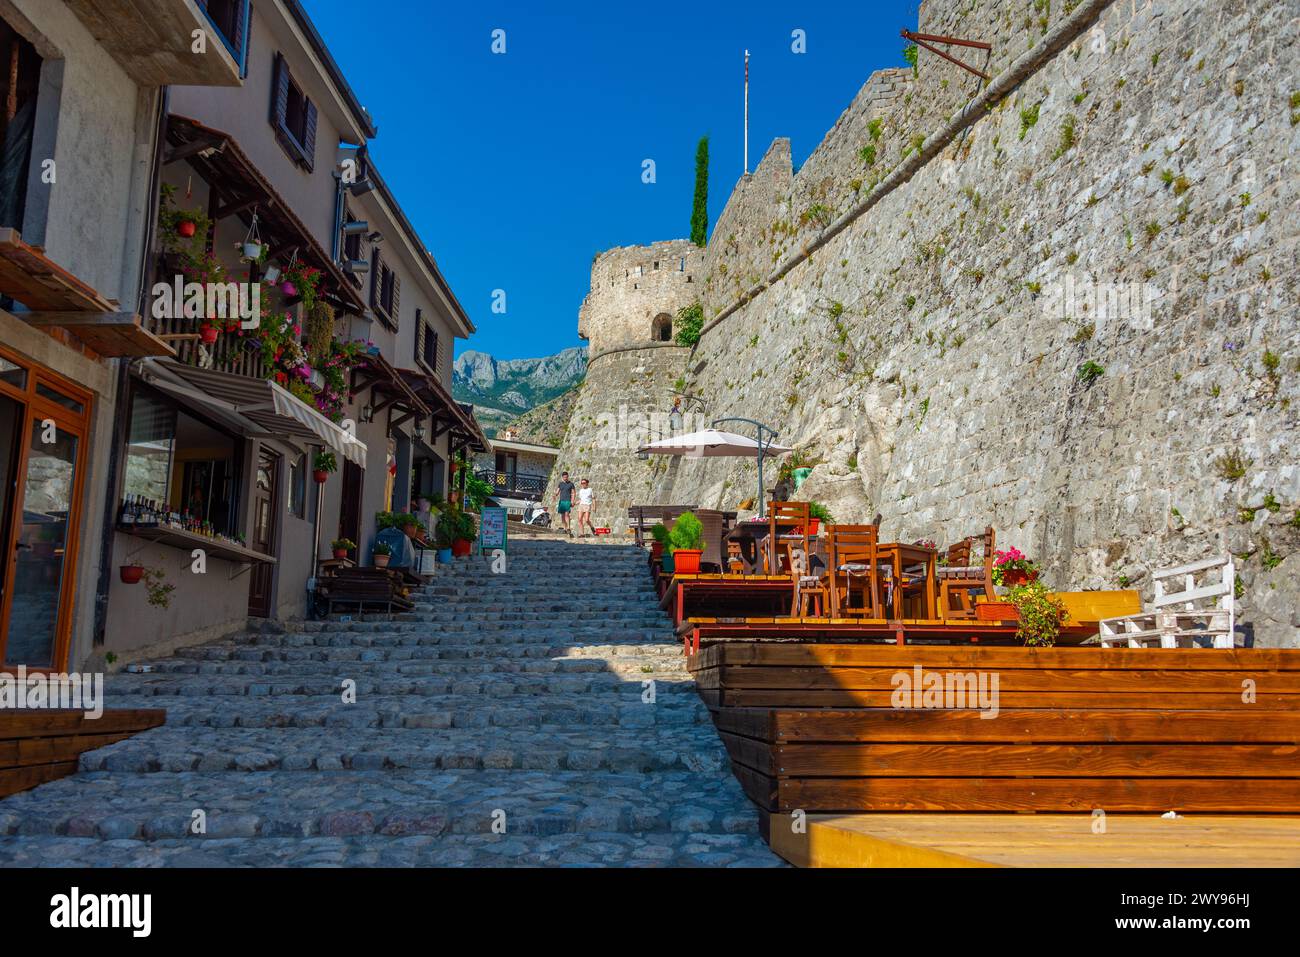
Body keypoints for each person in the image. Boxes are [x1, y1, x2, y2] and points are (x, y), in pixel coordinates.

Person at [556, 471, 575, 536]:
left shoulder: (571, 484)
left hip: (567, 500)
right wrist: (555, 495)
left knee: (567, 514)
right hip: (561, 501)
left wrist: (572, 501)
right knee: (562, 516)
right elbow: (557, 492)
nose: (565, 478)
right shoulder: (560, 484)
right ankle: (565, 528)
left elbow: (573, 493)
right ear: (562, 477)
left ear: (568, 477)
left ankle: (568, 528)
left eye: (566, 477)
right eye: (564, 477)